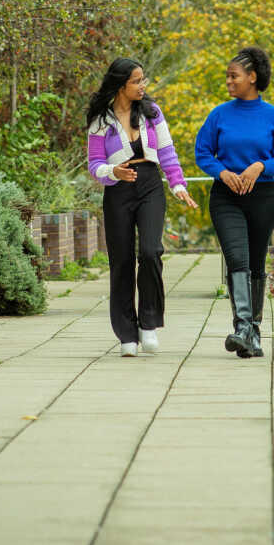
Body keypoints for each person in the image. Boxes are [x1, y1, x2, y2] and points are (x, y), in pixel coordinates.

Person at [86, 58, 196, 357]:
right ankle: (126, 334)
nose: (142, 86)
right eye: (137, 81)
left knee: (150, 252)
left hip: (149, 185)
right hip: (118, 191)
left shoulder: (151, 112)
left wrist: (178, 185)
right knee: (121, 262)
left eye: (143, 80)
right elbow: (94, 164)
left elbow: (167, 152)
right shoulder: (101, 120)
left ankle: (148, 323)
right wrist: (113, 172)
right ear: (121, 84)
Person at [194, 47, 274, 359]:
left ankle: (253, 331)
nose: (228, 81)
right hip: (226, 198)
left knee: (254, 262)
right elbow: (202, 152)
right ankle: (242, 327)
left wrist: (260, 166)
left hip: (263, 198)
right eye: (227, 76)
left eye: (233, 75)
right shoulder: (219, 114)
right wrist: (222, 172)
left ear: (253, 77)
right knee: (237, 258)